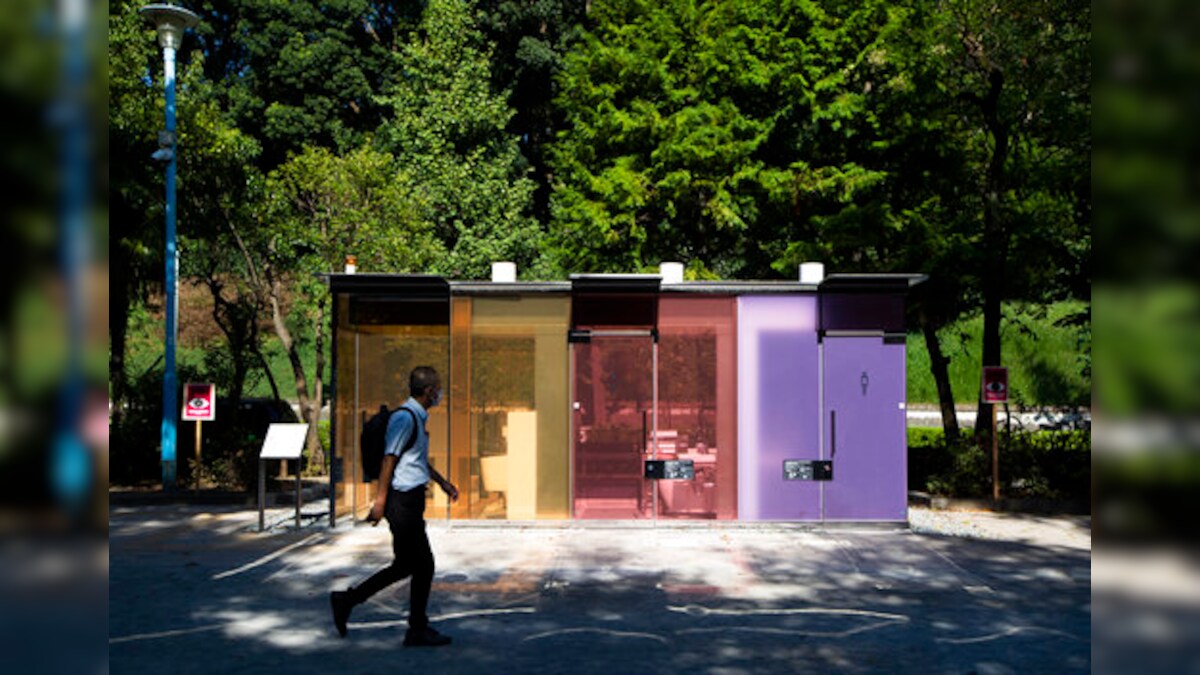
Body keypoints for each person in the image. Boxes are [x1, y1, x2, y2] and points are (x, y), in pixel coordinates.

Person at [330, 366, 459, 647]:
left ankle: (347, 600)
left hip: (409, 500)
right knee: (424, 565)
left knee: (405, 566)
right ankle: (416, 628)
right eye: (437, 388)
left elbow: (416, 458)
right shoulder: (405, 418)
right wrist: (380, 502)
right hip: (401, 503)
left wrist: (443, 483)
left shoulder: (416, 417)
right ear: (428, 391)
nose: (440, 393)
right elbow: (390, 459)